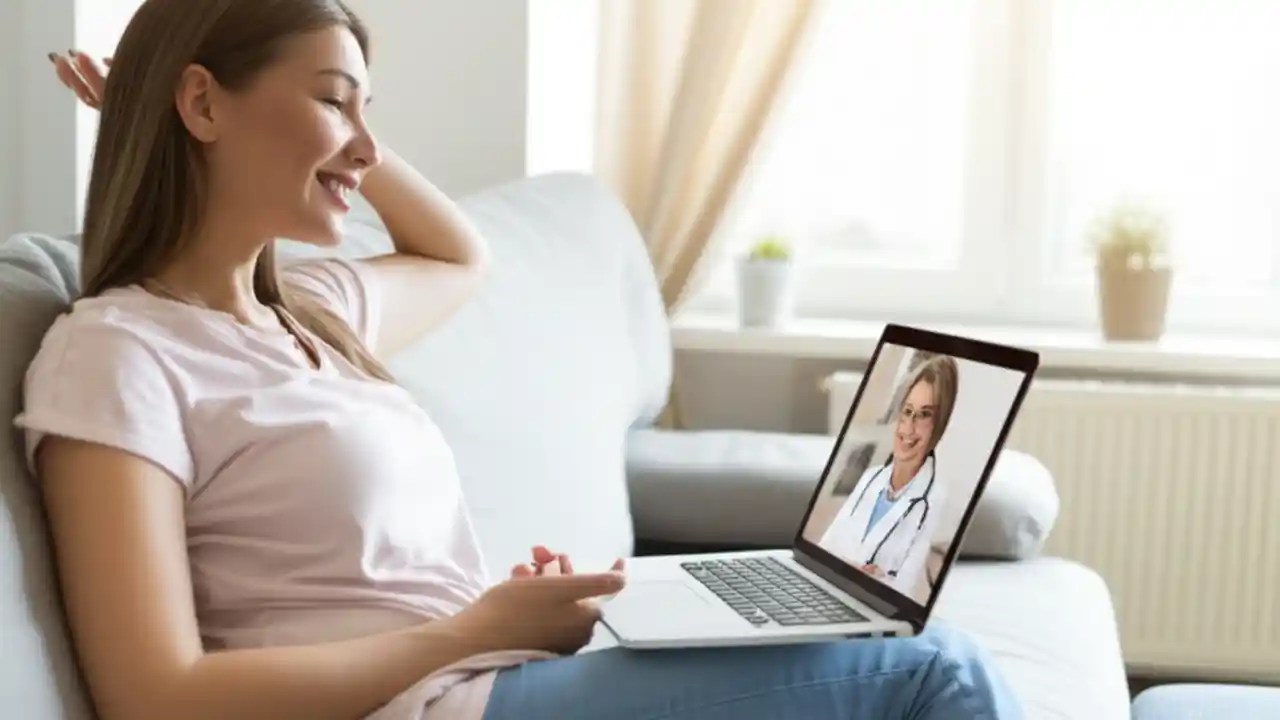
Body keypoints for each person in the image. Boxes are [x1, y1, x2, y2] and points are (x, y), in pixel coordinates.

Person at [16, 2, 1020, 718]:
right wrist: (471, 631)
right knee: (936, 672)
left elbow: (460, 252)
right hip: (433, 698)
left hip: (484, 673)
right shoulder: (118, 354)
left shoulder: (315, 310)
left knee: (882, 642)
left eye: (370, 112)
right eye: (333, 103)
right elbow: (156, 695)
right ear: (202, 104)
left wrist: (308, 116)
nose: (366, 151)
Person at [821, 356, 959, 598]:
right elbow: (823, 551)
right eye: (907, 412)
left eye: (924, 415)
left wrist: (874, 579)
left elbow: (908, 591)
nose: (909, 428)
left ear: (940, 424)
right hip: (831, 592)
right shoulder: (871, 479)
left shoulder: (936, 500)